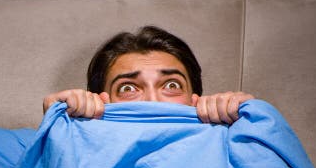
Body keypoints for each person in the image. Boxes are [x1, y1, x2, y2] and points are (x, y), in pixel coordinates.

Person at [43, 25, 253, 125]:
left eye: (171, 85)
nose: (153, 101)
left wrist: (251, 120)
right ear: (100, 102)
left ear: (195, 100)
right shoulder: (73, 148)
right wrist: (58, 126)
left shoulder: (231, 143)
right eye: (128, 88)